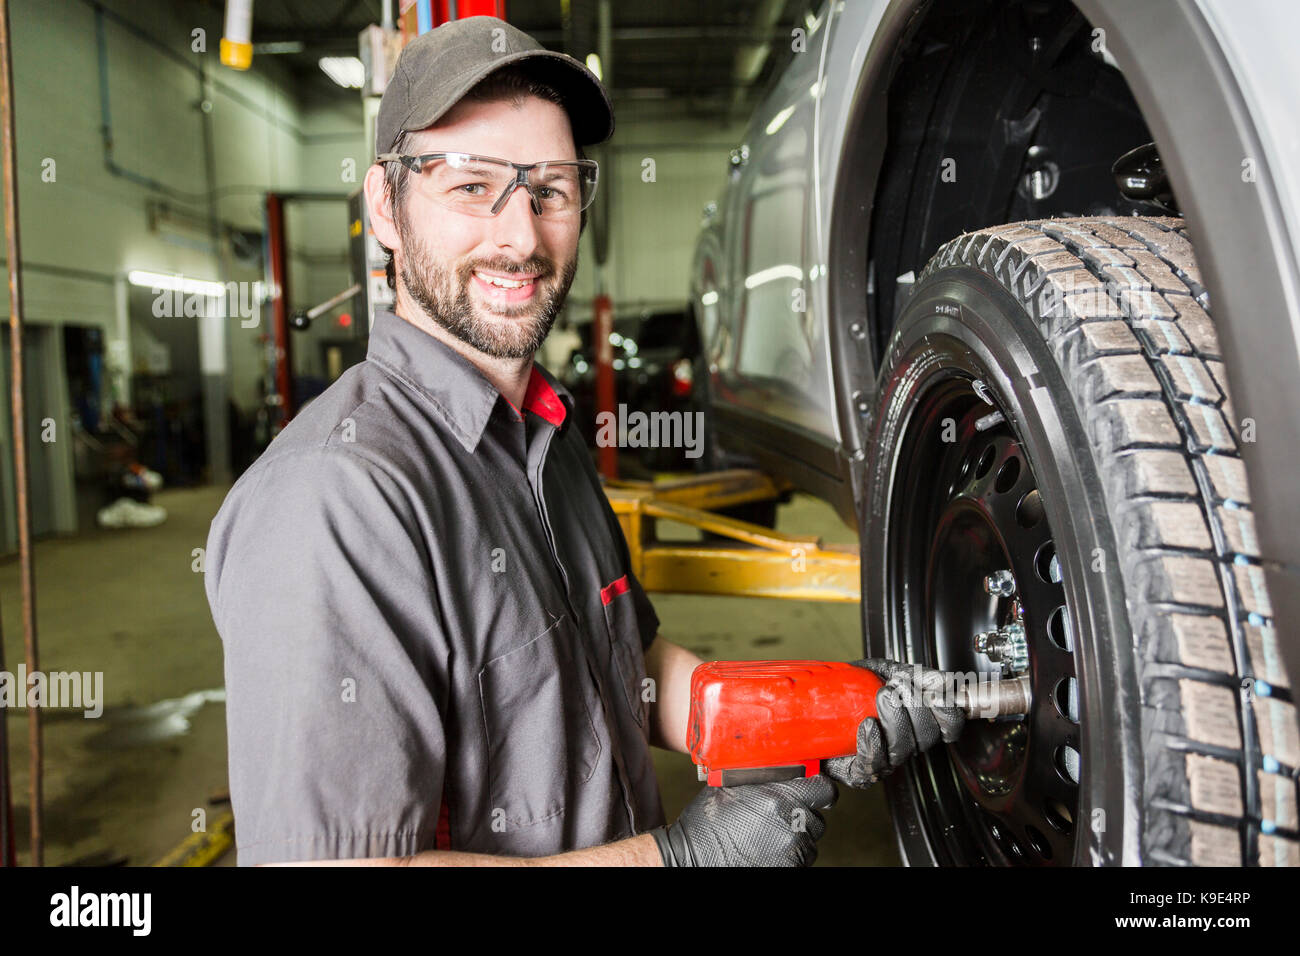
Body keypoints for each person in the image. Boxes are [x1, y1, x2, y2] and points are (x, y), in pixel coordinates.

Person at [204, 16, 962, 867]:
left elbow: (624, 671)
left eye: (551, 189)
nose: (521, 237)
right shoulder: (332, 499)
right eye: (469, 186)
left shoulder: (547, 440)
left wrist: (824, 705)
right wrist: (674, 861)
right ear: (384, 206)